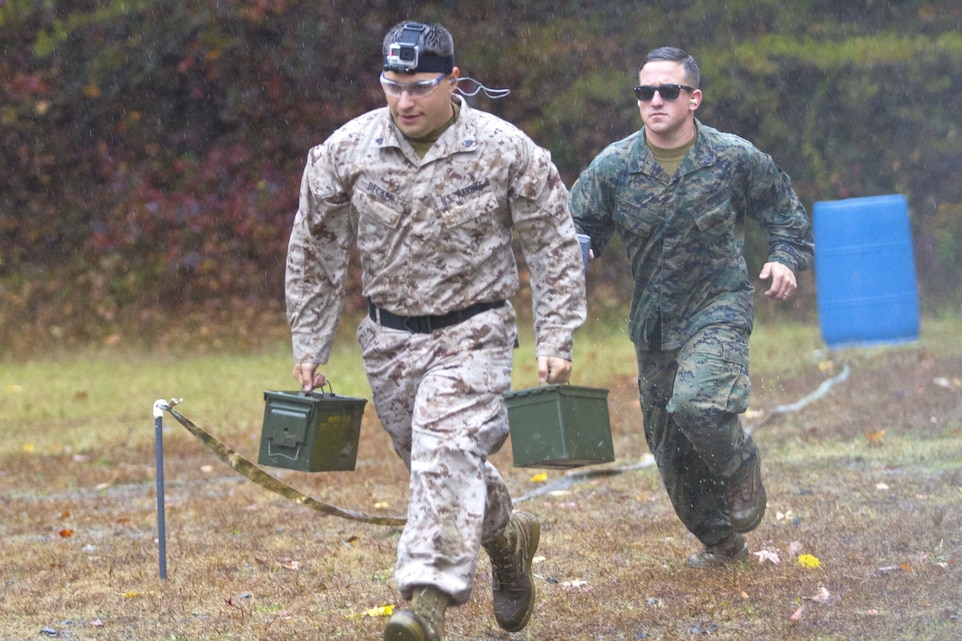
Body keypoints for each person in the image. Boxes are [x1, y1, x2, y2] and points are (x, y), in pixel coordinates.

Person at [284, 21, 586, 641]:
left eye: (421, 87)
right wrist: (310, 344)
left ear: (453, 81)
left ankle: (425, 602)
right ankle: (509, 538)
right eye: (392, 86)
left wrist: (556, 336)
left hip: (476, 332)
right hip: (389, 341)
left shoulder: (503, 149)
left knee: (446, 447)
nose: (405, 102)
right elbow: (315, 248)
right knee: (433, 461)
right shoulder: (348, 150)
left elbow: (554, 243)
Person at [569, 47, 814, 567]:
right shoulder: (614, 166)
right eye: (645, 92)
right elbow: (577, 225)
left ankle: (742, 464)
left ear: (693, 99)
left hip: (718, 305)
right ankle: (721, 543)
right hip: (654, 322)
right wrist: (577, 249)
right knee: (670, 447)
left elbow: (784, 214)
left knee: (699, 404)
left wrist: (786, 259)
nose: (655, 100)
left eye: (668, 91)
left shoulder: (732, 157)